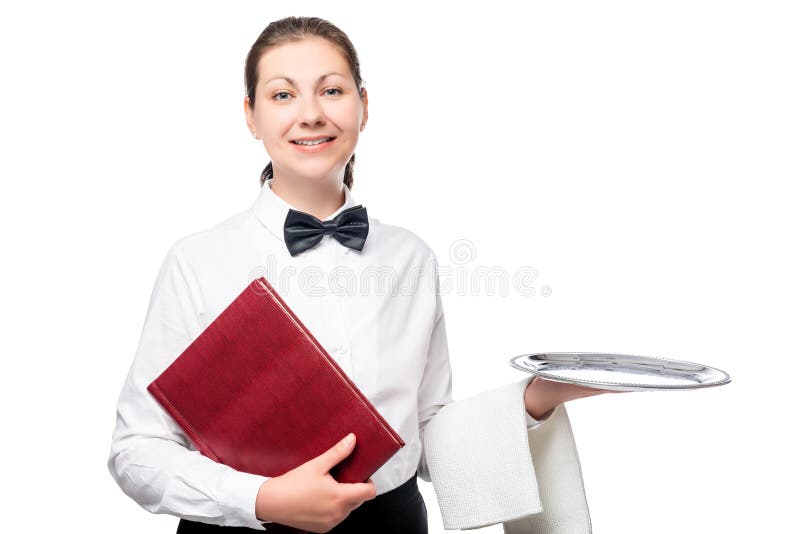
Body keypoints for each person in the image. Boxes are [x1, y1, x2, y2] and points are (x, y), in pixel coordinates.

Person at [107, 16, 618, 534]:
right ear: (251, 116)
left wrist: (537, 399)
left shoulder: (410, 257)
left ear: (364, 106)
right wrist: (260, 498)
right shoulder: (197, 262)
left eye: (331, 90)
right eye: (283, 95)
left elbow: (425, 436)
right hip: (240, 527)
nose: (310, 114)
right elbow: (137, 450)